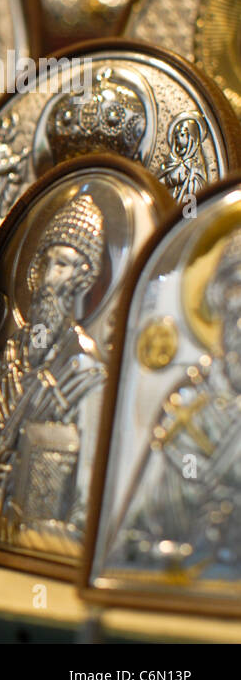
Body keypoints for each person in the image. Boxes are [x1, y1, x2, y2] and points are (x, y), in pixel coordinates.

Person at [0, 192, 107, 555]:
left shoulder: (84, 371)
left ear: (84, 277)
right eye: (47, 262)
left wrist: (15, 516)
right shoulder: (8, 356)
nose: (50, 277)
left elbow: (83, 526)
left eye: (64, 265)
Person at [105, 231, 241, 580]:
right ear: (219, 300)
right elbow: (132, 542)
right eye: (237, 289)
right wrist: (190, 543)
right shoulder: (187, 408)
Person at [158, 114, 207, 204]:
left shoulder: (195, 167)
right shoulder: (171, 163)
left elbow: (198, 193)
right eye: (176, 137)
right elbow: (157, 184)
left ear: (192, 137)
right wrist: (171, 178)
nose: (178, 140)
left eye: (182, 135)